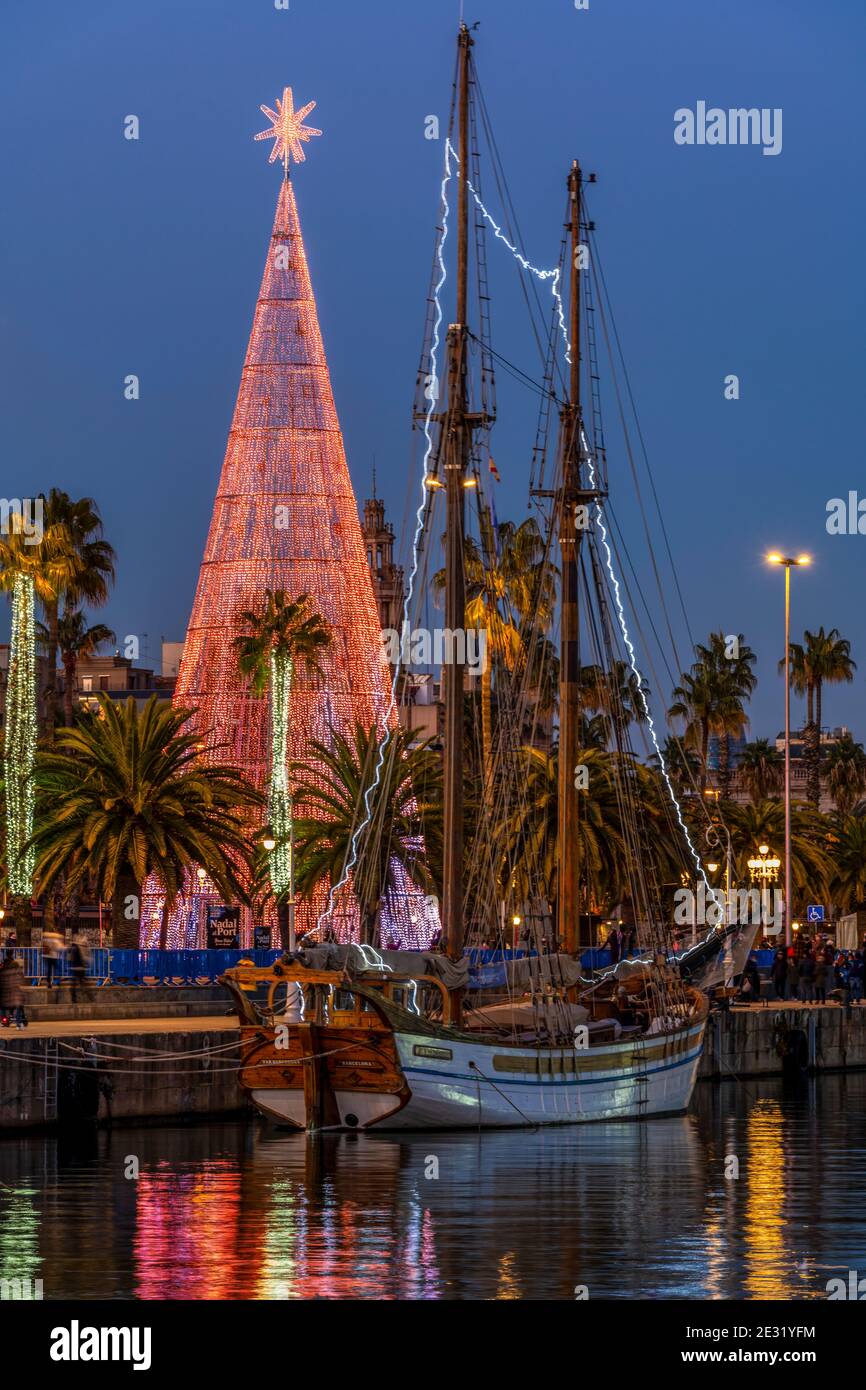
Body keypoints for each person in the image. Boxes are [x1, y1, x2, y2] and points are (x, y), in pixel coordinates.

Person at [0, 949, 27, 1029]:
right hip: (14, 988)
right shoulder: (15, 964)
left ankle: (5, 1021)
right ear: (12, 954)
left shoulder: (3, 964)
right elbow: (20, 975)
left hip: (4, 989)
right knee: (18, 1006)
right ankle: (18, 1023)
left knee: (3, 1007)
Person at [67, 936, 89, 1003]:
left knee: (74, 984)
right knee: (82, 983)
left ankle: (74, 998)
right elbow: (84, 959)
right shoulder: (80, 948)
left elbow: (69, 958)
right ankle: (89, 997)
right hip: (80, 968)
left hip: (75, 968)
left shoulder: (74, 948)